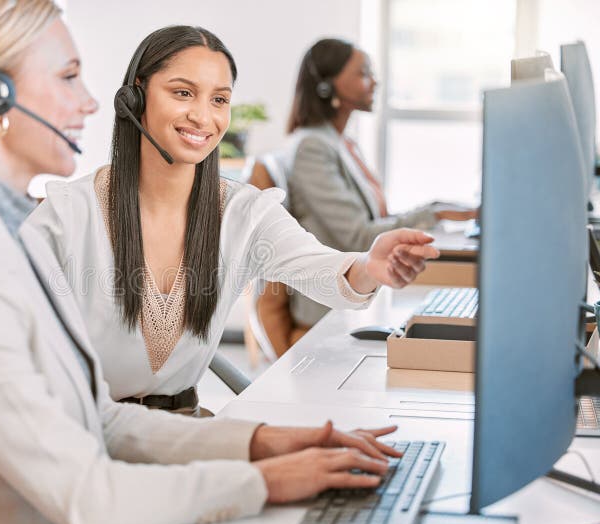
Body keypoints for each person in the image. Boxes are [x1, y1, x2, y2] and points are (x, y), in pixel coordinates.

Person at [0, 3, 409, 524]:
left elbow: (97, 416)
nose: (94, 102)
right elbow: (88, 496)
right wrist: (264, 480)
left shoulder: (6, 233)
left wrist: (268, 442)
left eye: (219, 98)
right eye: (69, 76)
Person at [23, 26, 439, 417]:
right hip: (80, 433)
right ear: (135, 97)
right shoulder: (69, 212)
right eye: (183, 93)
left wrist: (369, 266)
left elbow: (322, 269)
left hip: (185, 430)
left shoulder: (242, 211)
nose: (203, 118)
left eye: (219, 99)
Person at [249, 38, 478, 346]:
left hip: (358, 296)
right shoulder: (312, 147)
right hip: (331, 309)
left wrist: (434, 209)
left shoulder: (344, 143)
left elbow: (374, 219)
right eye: (364, 73)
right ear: (327, 87)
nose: (374, 82)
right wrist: (432, 214)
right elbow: (358, 237)